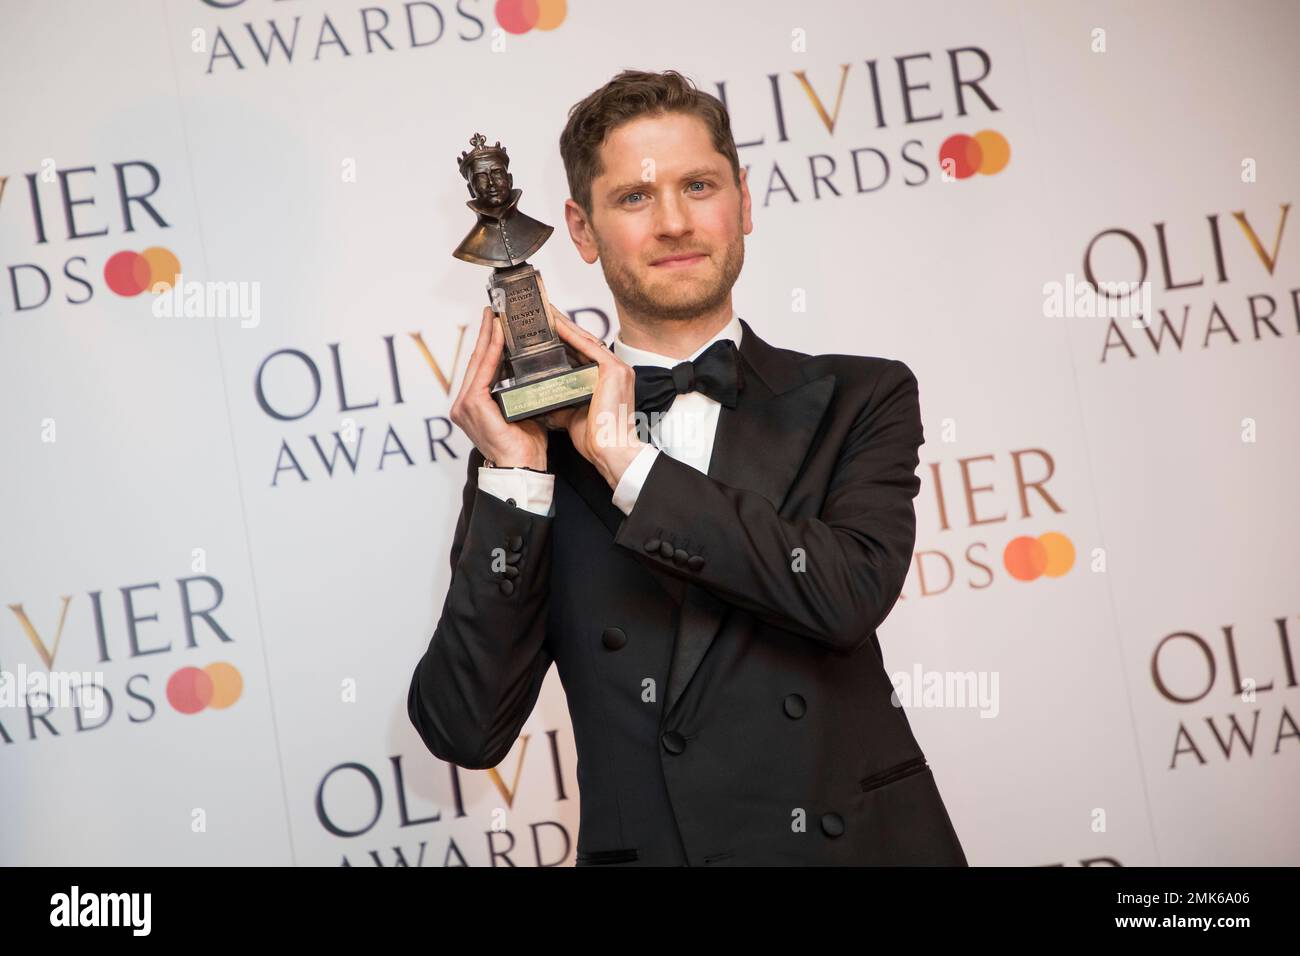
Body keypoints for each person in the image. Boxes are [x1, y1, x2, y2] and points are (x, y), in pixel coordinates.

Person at [407, 69, 968, 866]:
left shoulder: (860, 395)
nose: (674, 222)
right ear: (581, 227)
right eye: (634, 198)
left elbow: (843, 597)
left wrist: (625, 460)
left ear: (742, 199)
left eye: (698, 186)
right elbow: (464, 727)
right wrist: (516, 481)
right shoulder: (529, 457)